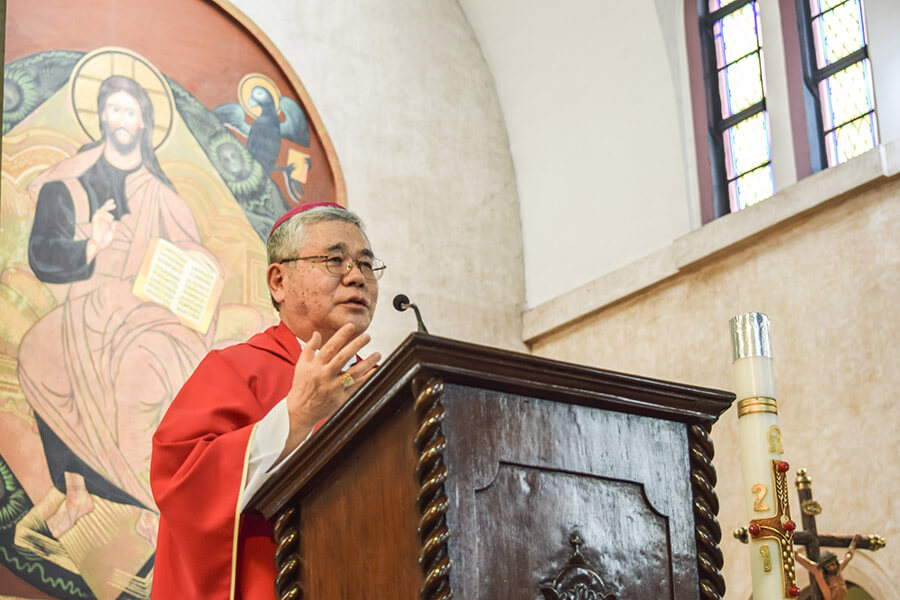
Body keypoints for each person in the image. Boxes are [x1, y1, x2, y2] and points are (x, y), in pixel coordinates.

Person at [17, 74, 217, 543]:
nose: (123, 120)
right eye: (115, 110)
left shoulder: (162, 194)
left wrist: (195, 264)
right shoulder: (69, 183)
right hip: (92, 306)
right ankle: (75, 492)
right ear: (102, 115)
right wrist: (91, 246)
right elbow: (44, 256)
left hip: (150, 313)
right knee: (38, 355)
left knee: (141, 376)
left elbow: (195, 256)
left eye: (132, 112)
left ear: (145, 123)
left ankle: (153, 499)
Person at [151, 202, 383, 599]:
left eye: (366, 264)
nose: (357, 277)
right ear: (278, 281)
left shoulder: (384, 387)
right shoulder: (236, 369)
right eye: (335, 260)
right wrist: (295, 417)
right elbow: (181, 480)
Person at [795, 535, 861, 600]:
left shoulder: (839, 567)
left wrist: (853, 543)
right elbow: (803, 560)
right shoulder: (818, 571)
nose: (831, 568)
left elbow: (848, 556)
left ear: (836, 562)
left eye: (833, 564)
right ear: (824, 567)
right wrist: (790, 548)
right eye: (828, 567)